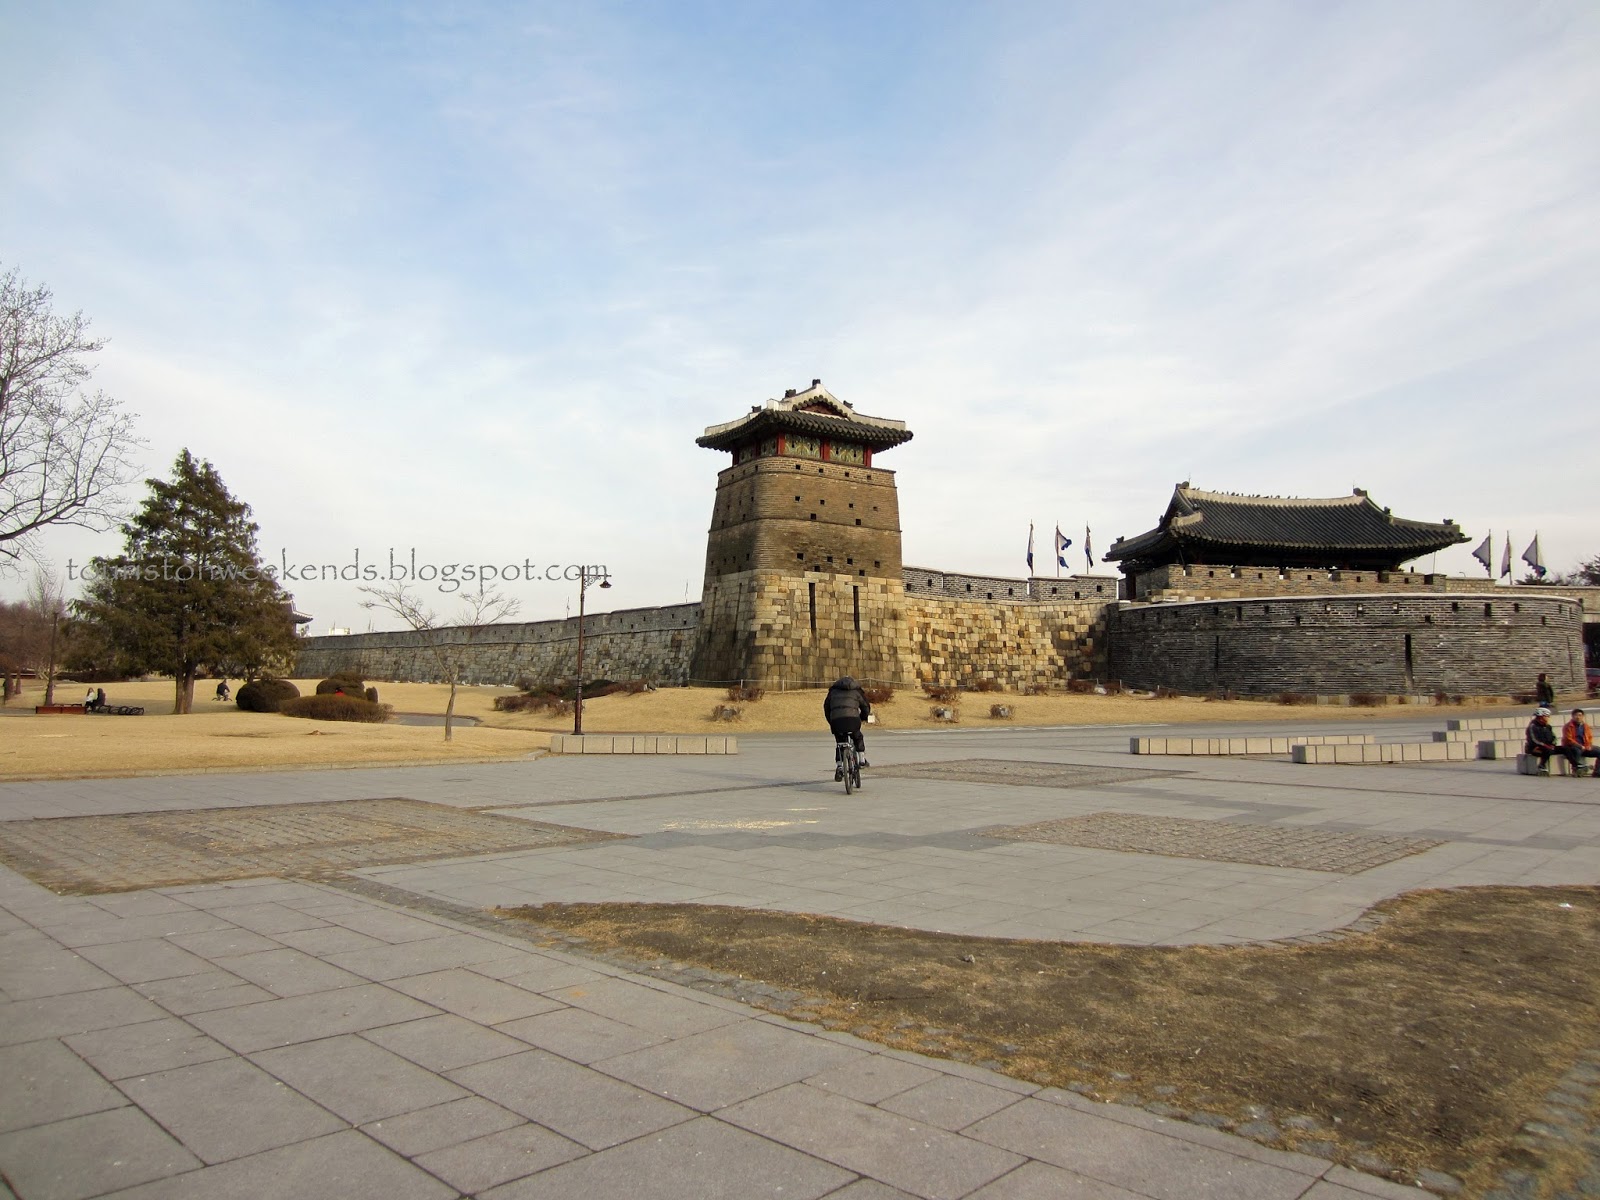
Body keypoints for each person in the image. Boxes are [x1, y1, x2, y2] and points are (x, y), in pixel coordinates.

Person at [824, 676, 872, 779]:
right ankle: (861, 760)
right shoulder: (856, 691)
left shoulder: (833, 692)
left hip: (837, 721)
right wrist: (863, 717)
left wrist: (831, 721)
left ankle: (839, 766)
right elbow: (865, 706)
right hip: (853, 720)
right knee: (857, 736)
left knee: (840, 743)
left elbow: (826, 708)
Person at [1525, 708, 1574, 775]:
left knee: (1566, 748)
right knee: (1547, 750)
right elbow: (1534, 739)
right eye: (1546, 716)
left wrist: (1553, 744)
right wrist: (1545, 746)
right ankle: (1542, 765)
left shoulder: (1548, 726)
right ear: (1541, 716)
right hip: (1535, 748)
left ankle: (1575, 765)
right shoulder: (1532, 726)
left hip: (1549, 746)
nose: (1548, 718)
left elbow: (1554, 737)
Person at [1562, 708, 1599, 777]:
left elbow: (1589, 737)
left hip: (1584, 746)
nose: (1578, 717)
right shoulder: (1568, 726)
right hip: (1572, 746)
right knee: (1577, 751)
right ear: (1572, 716)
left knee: (1598, 750)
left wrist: (1589, 745)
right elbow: (1569, 739)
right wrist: (1580, 746)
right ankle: (1576, 769)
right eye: (1576, 715)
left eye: (1580, 715)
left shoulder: (1585, 726)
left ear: (1582, 716)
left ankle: (1597, 771)